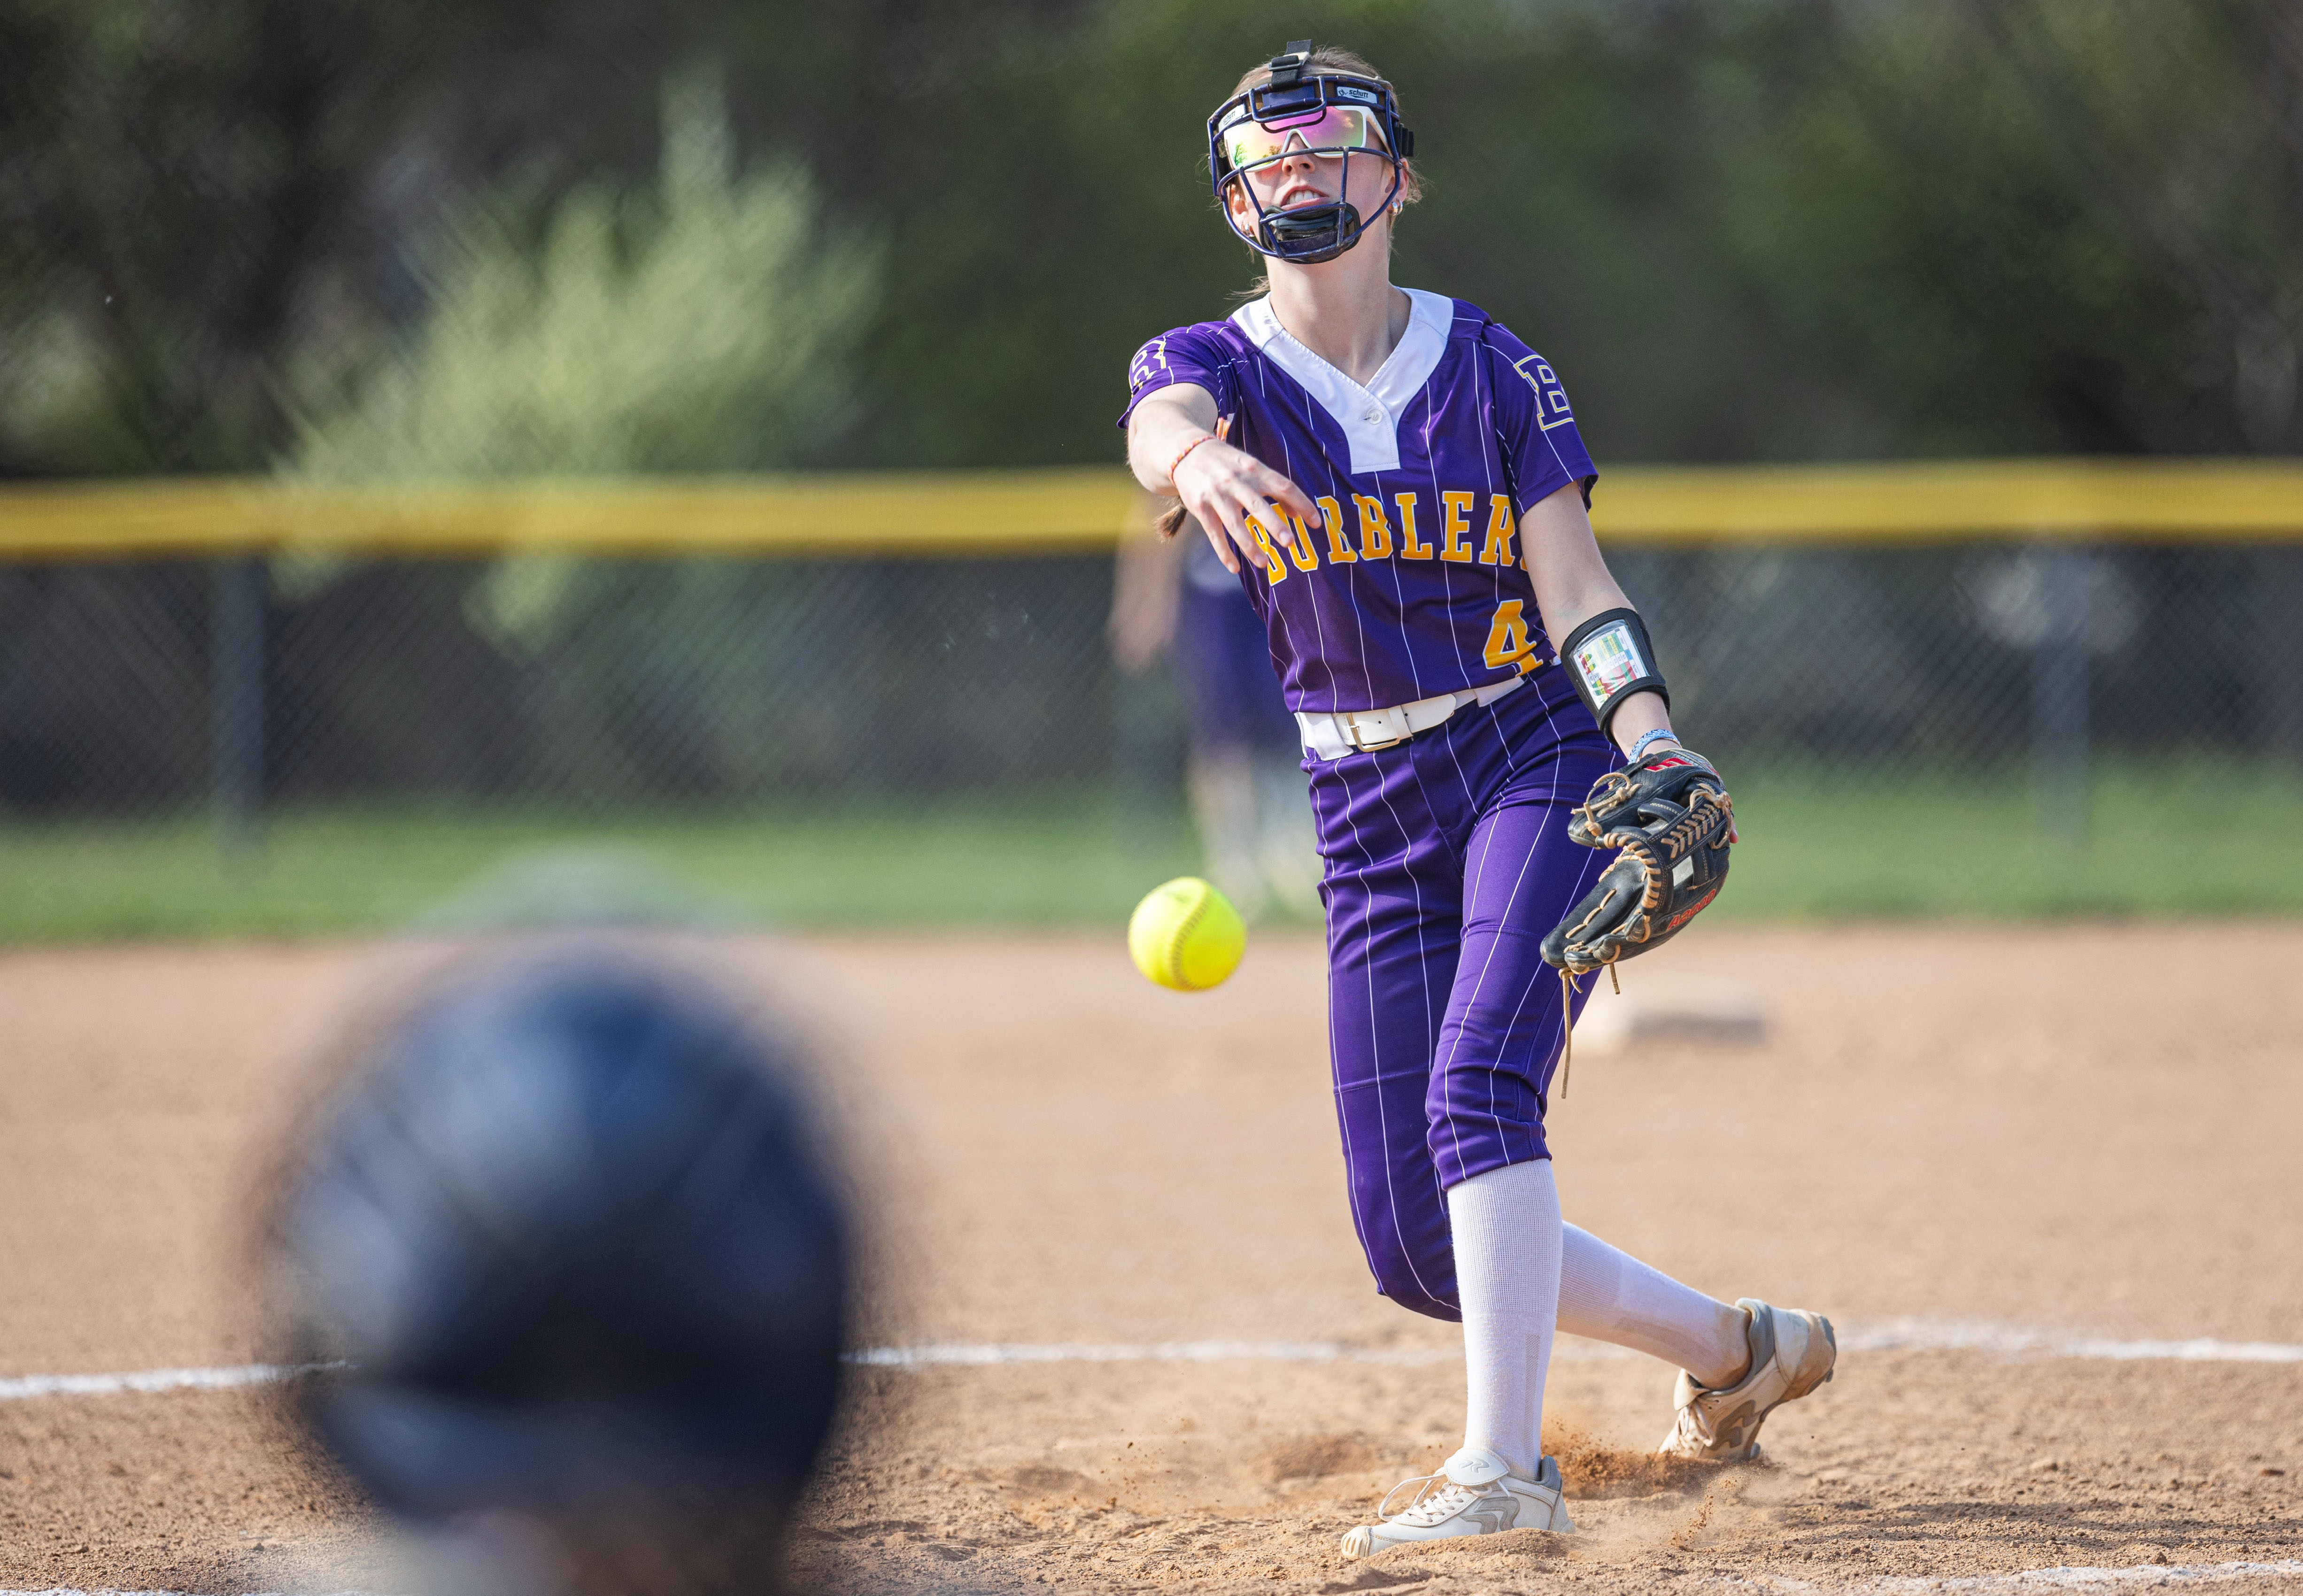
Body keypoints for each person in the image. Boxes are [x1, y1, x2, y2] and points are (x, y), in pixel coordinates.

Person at [1119, 41, 1837, 1560]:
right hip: (1357, 798)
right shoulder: (1217, 368)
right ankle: (1737, 1347)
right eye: (1273, 158)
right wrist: (1184, 454)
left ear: (1398, 176)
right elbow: (1154, 423)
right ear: (1233, 200)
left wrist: (1647, 736)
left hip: (1530, 755)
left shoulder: (1491, 363)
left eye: (1336, 150)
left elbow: (1573, 578)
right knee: (1413, 1242)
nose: (1306, 178)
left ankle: (1500, 1469)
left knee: (1474, 1097)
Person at [1110, 488, 1321, 919]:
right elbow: (1156, 513)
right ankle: (1233, 860)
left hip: (1280, 588)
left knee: (1293, 725)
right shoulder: (1202, 424)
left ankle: (1292, 851)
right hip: (1211, 596)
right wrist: (1145, 602)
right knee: (1220, 736)